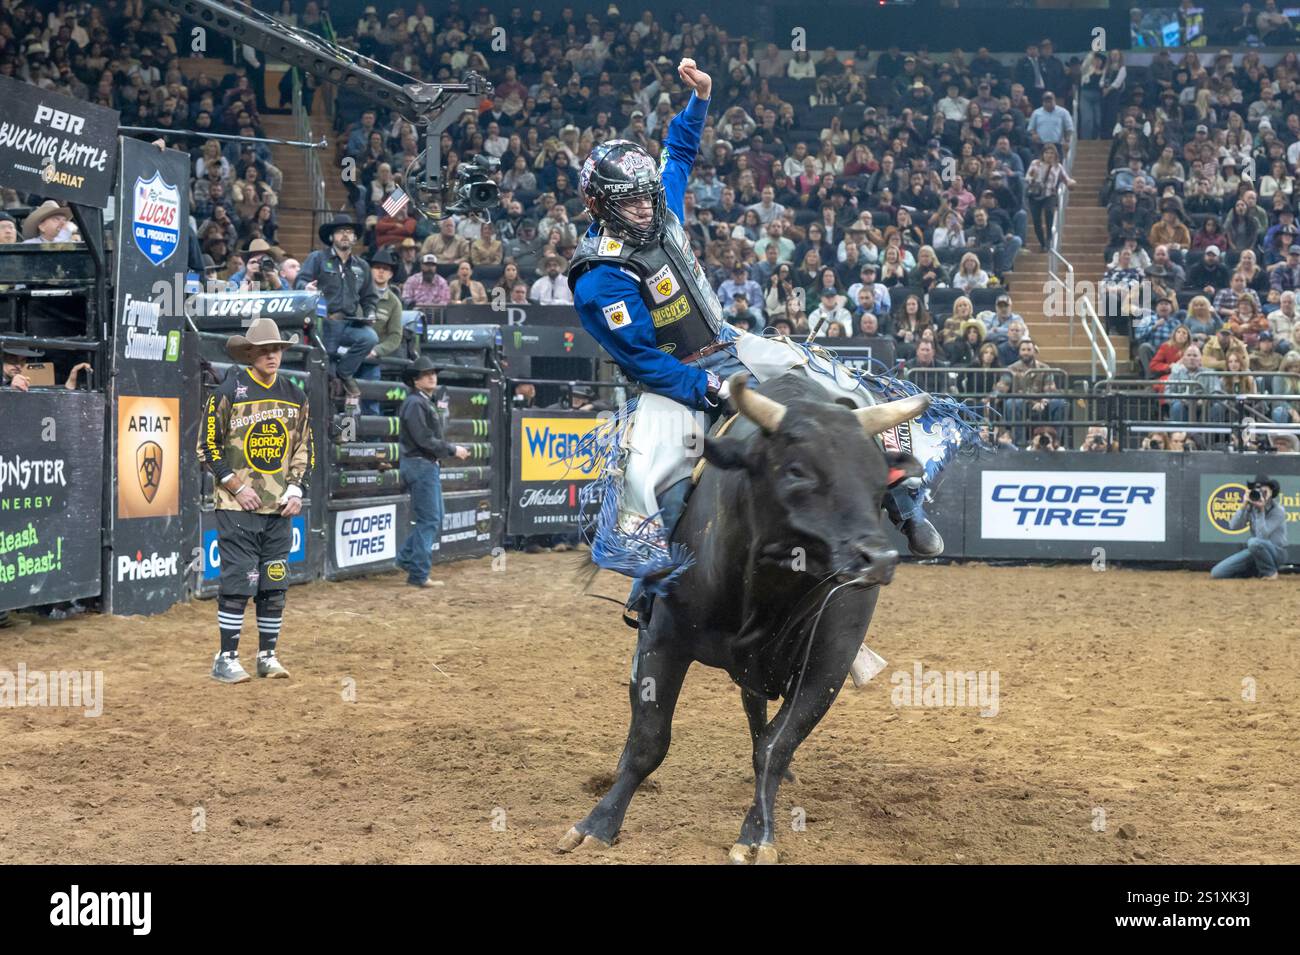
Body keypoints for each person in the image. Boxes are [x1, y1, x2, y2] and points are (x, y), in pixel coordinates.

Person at [566, 57, 971, 631]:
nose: (648, 206)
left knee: (849, 386)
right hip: (675, 377)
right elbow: (641, 359)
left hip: (731, 341)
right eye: (632, 201)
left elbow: (677, 154)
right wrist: (708, 390)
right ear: (602, 205)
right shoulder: (598, 275)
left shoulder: (660, 204)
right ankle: (653, 585)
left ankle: (905, 497)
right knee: (648, 477)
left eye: (648, 196)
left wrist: (700, 99)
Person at [197, 319, 312, 684]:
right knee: (239, 580)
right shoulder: (229, 390)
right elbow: (208, 447)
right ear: (250, 354)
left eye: (277, 349)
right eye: (264, 350)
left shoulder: (295, 393)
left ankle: (267, 655)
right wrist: (235, 485)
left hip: (279, 506)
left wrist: (296, 489)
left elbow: (305, 448)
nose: (272, 355)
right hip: (237, 506)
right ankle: (226, 657)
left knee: (274, 581)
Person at [395, 356, 470, 588]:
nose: (431, 376)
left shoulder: (420, 401)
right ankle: (417, 573)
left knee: (432, 517)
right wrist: (451, 449)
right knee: (430, 519)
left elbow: (424, 438)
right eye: (425, 374)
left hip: (422, 464)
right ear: (415, 381)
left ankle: (408, 558)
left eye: (432, 372)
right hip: (421, 464)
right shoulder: (417, 403)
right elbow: (424, 438)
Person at [297, 215, 379, 407]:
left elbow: (369, 297)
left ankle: (346, 372)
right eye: (340, 231)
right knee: (327, 371)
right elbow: (300, 280)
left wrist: (371, 312)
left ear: (354, 238)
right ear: (332, 236)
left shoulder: (362, 266)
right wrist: (306, 287)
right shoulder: (317, 258)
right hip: (323, 322)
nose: (345, 235)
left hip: (350, 322)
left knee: (370, 338)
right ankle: (323, 413)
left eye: (349, 232)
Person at [1210, 475, 1288, 579]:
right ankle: (1256, 571)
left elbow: (1262, 536)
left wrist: (1261, 511)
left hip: (1276, 552)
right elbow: (1233, 526)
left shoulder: (1278, 511)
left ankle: (1270, 572)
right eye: (1258, 491)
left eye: (1264, 492)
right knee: (1217, 573)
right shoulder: (1250, 507)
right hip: (1255, 551)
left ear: (1271, 493)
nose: (1261, 495)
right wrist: (1243, 505)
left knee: (1253, 542)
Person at [358, 247, 406, 415]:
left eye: (385, 269)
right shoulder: (357, 293)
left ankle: (372, 440)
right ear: (371, 270)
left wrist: (377, 351)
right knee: (337, 399)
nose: (381, 272)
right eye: (377, 267)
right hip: (348, 354)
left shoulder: (394, 302)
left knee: (371, 404)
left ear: (391, 274)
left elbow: (395, 336)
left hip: (371, 360)